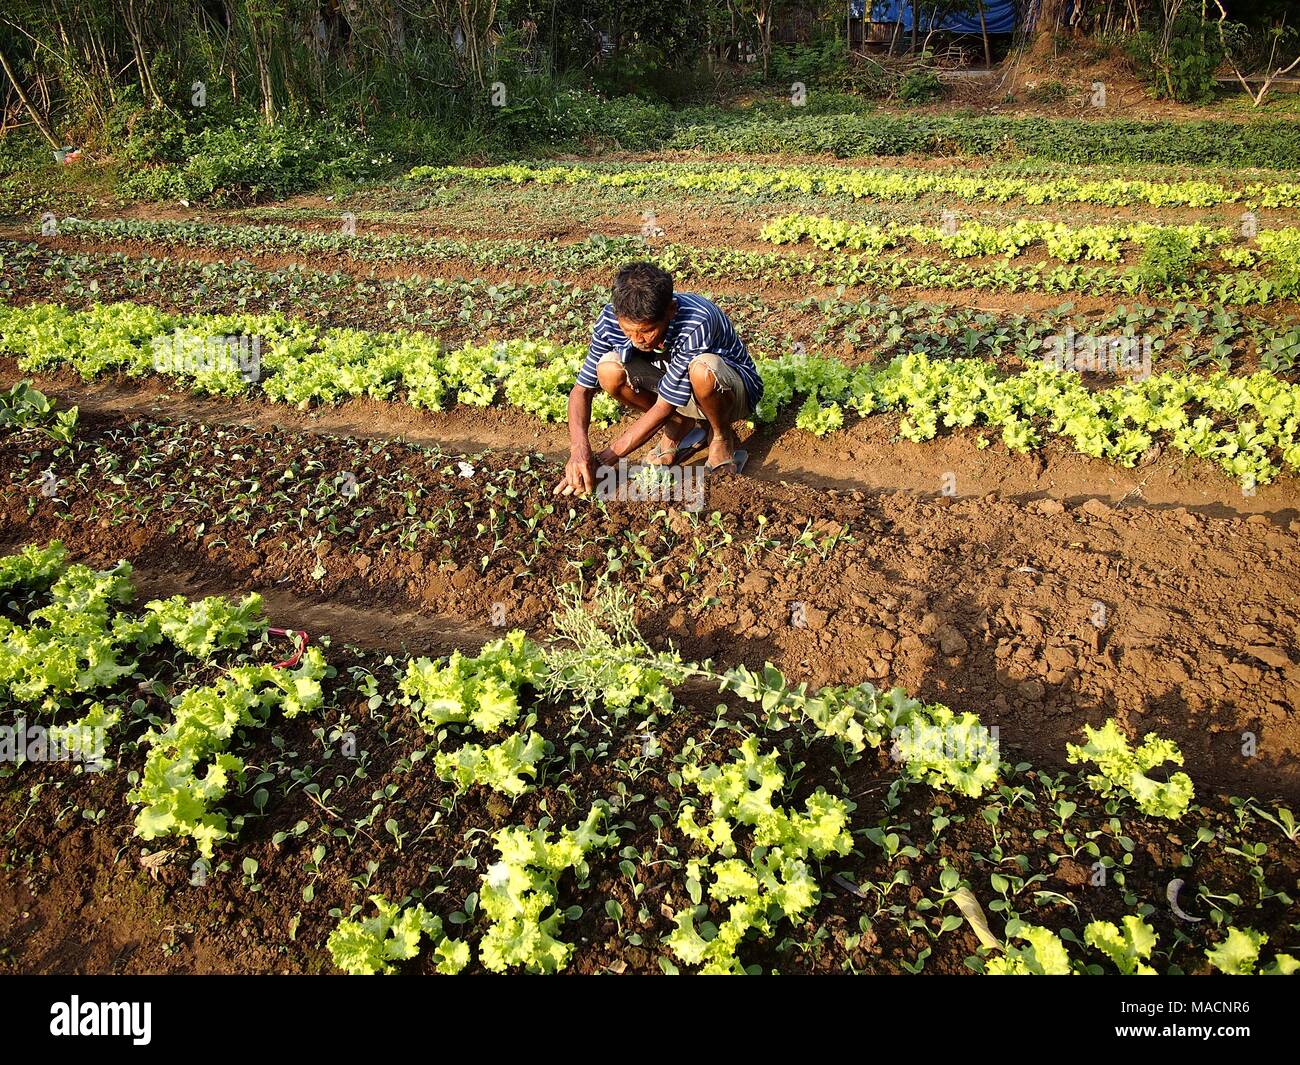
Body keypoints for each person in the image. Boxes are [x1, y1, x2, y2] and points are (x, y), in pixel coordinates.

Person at [554, 262, 762, 497]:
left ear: (671, 310)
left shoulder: (697, 319)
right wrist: (579, 449)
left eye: (647, 330)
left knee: (703, 369)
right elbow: (582, 390)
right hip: (674, 388)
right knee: (608, 370)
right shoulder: (609, 320)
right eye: (628, 331)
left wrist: (603, 459)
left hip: (732, 391)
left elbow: (664, 404)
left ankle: (721, 436)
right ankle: (677, 425)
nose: (637, 340)